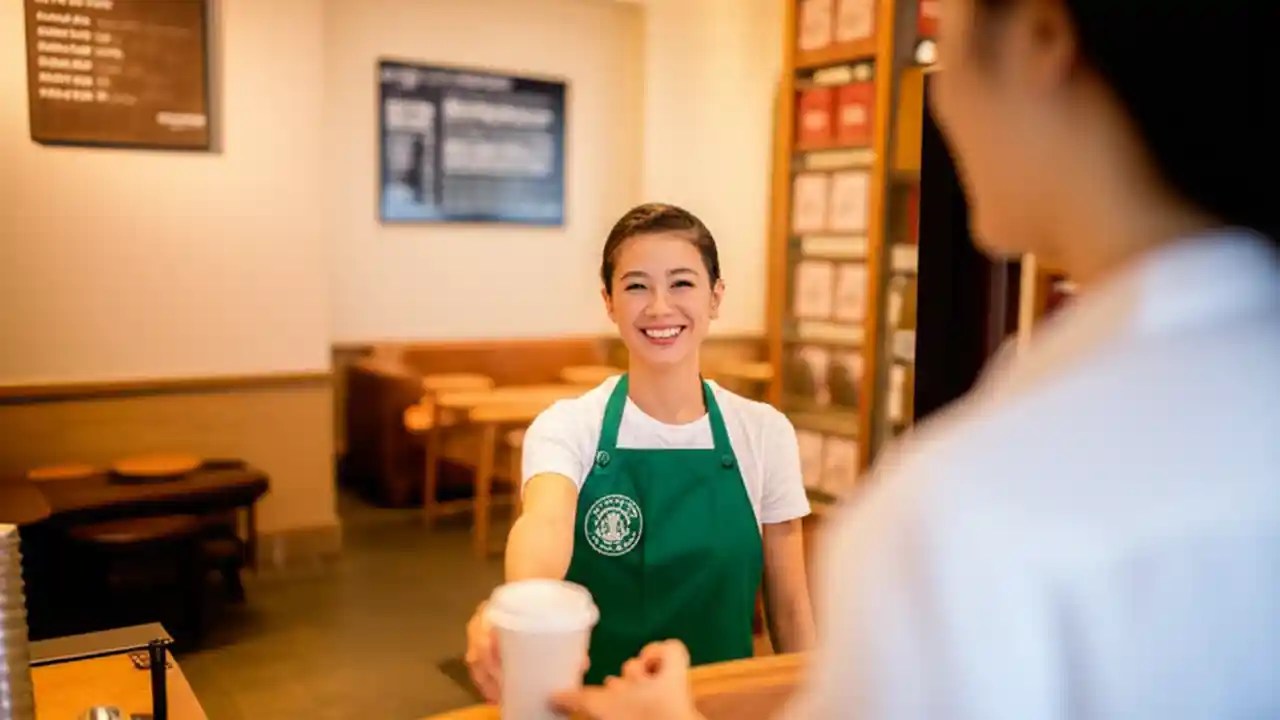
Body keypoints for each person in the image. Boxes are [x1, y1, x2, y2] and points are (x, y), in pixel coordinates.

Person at [552, 0, 1278, 718]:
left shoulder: (959, 512)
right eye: (636, 286)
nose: (939, 87)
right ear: (609, 301)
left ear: (1040, 37)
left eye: (944, 33)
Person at [465, 203, 817, 699]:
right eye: (636, 286)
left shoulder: (763, 433)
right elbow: (544, 524)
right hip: (592, 708)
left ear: (715, 297)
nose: (658, 307)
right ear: (609, 301)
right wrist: (516, 607)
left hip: (718, 708)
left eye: (681, 283)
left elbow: (790, 607)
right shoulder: (569, 426)